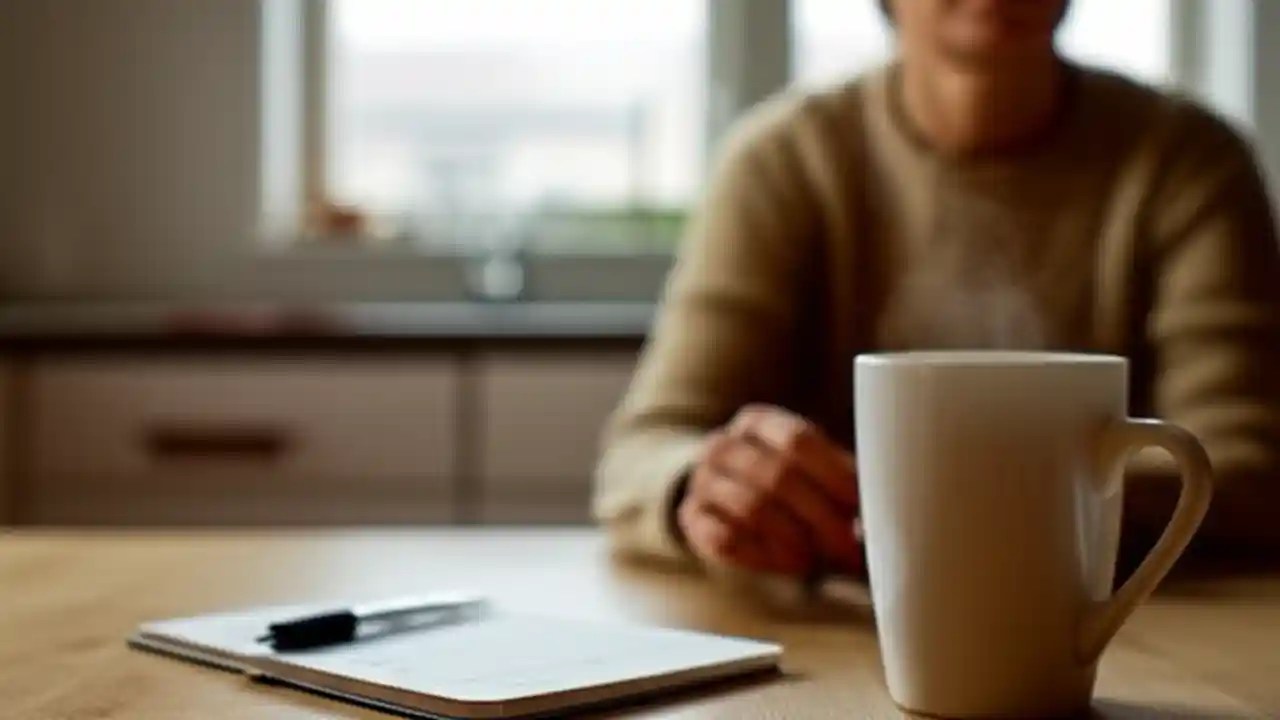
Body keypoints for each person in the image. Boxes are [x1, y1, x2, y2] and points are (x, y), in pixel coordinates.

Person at [592, 0, 1280, 589]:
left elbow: (1246, 471)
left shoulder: (1188, 162)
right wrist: (703, 489)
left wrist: (968, 504)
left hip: (1128, 628)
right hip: (827, 636)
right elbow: (643, 452)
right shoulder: (783, 160)